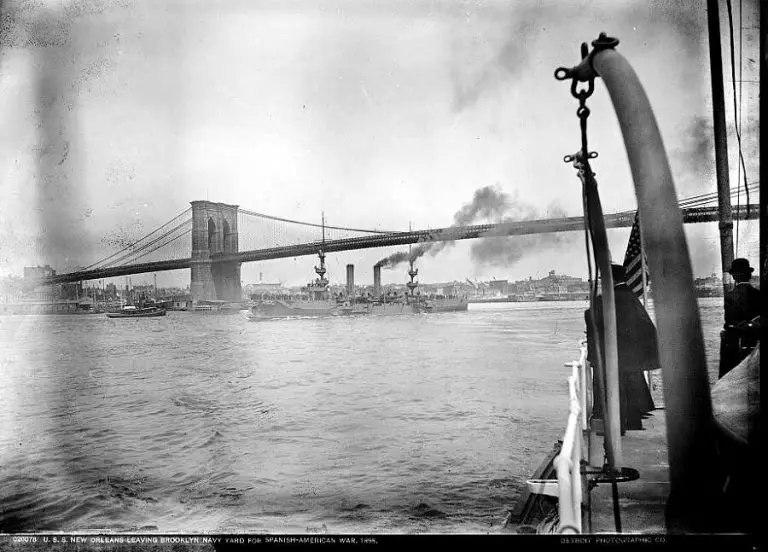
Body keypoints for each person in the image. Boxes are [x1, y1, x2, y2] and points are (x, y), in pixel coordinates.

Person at [585, 264, 660, 433]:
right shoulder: (627, 295)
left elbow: (593, 315)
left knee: (616, 391)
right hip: (629, 353)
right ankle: (631, 422)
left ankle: (617, 428)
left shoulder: (614, 297)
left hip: (617, 354)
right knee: (629, 389)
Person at [719, 258, 761, 378]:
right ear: (749, 275)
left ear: (734, 277)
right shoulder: (758, 294)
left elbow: (729, 322)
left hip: (735, 345)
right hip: (755, 343)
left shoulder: (730, 296)